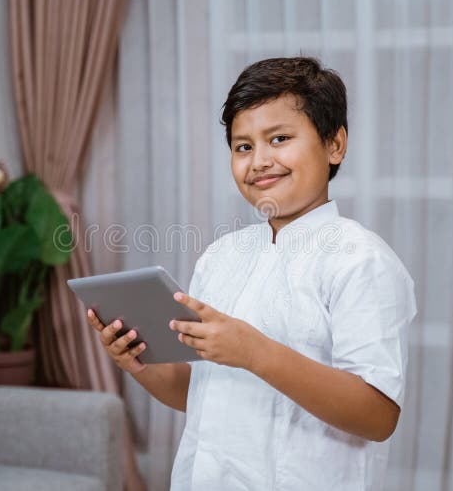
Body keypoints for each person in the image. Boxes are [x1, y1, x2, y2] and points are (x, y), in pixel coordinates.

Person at [86, 57, 417, 490]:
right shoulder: (222, 256)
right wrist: (139, 364)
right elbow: (204, 394)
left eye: (279, 138)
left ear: (334, 145)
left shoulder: (361, 260)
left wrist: (255, 352)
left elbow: (377, 416)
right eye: (243, 147)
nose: (259, 161)